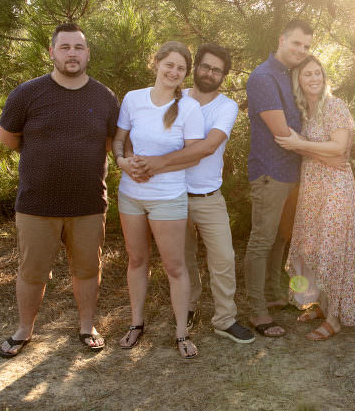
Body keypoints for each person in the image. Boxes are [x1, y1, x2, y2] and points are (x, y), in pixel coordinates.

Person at [0, 23, 119, 357]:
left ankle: (86, 326)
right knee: (32, 272)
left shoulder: (105, 96)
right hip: (37, 203)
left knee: (87, 270)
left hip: (89, 203)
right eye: (64, 47)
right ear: (51, 52)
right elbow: (8, 138)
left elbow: (111, 143)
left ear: (87, 53)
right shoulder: (27, 93)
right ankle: (24, 330)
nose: (72, 54)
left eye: (78, 47)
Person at [129, 43, 255, 344]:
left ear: (223, 76)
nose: (210, 73)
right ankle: (187, 308)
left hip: (208, 196)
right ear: (194, 67)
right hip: (172, 195)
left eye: (217, 70)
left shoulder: (226, 106)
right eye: (205, 66)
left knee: (223, 258)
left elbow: (208, 146)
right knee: (182, 261)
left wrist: (159, 163)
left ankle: (225, 319)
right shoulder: (175, 98)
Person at [112, 41, 204, 358]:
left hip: (168, 197)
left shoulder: (190, 107)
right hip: (131, 195)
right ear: (156, 63)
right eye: (170, 65)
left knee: (175, 267)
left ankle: (181, 333)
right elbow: (119, 142)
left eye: (181, 68)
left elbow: (192, 156)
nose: (174, 72)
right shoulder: (133, 99)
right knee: (136, 260)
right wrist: (123, 163)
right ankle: (136, 324)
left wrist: (156, 166)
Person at [274, 55, 355, 341]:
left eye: (318, 73)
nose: (314, 78)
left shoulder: (335, 106)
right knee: (310, 246)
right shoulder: (301, 111)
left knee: (332, 248)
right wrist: (309, 150)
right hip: (311, 185)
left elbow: (340, 147)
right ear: (298, 80)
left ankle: (334, 318)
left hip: (336, 186)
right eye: (307, 74)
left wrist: (304, 146)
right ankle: (320, 304)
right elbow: (301, 148)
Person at [244, 19, 312, 338]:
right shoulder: (263, 76)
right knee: (262, 239)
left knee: (280, 239)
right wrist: (317, 149)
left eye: (307, 46)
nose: (301, 50)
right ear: (282, 39)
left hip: (292, 173)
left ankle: (273, 294)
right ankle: (256, 311)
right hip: (270, 172)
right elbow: (281, 132)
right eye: (296, 43)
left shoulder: (289, 76)